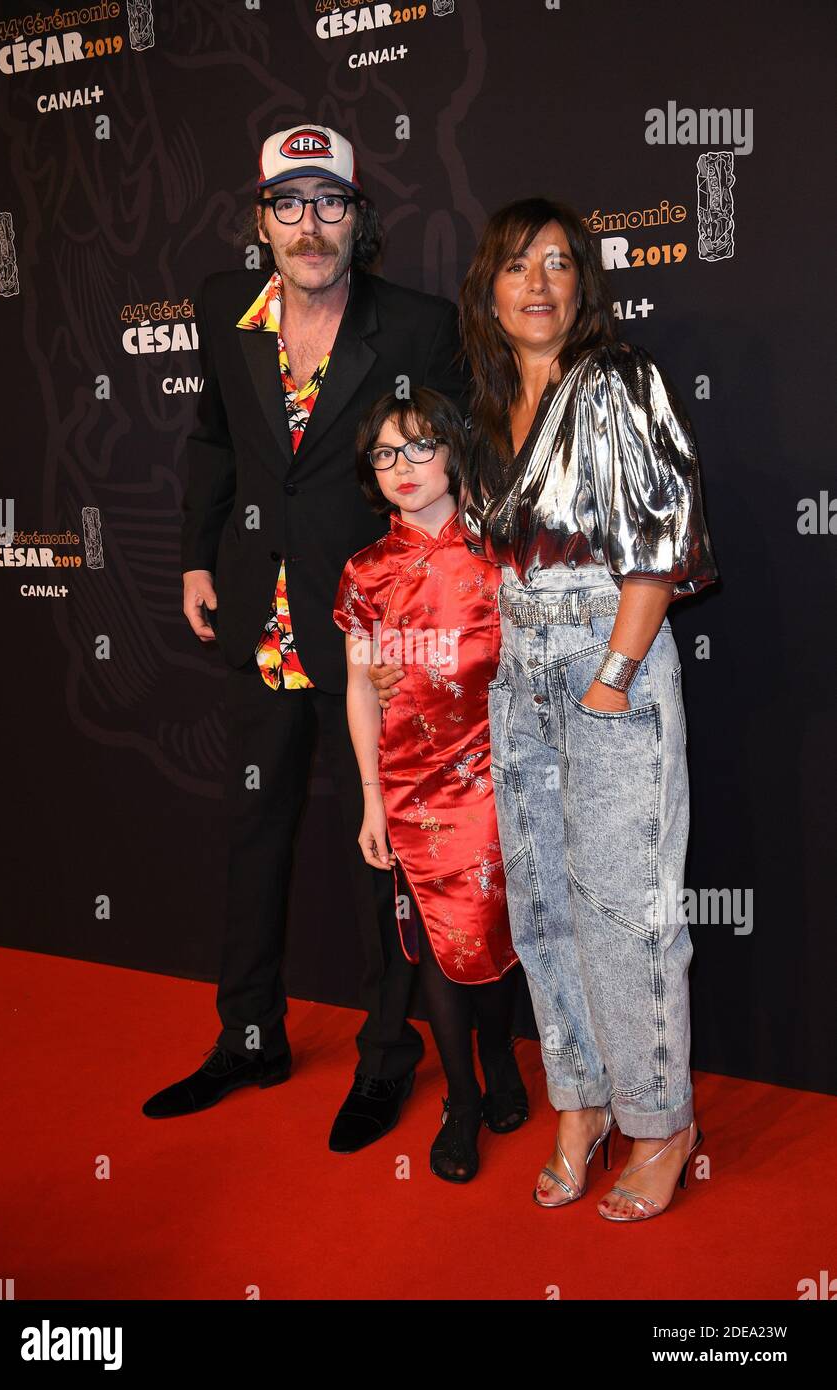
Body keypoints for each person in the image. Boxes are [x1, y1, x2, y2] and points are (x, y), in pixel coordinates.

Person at [371, 197, 717, 1221]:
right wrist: (405, 658)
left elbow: (658, 542)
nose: (537, 283)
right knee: (543, 907)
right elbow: (458, 558)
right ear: (487, 287)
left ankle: (659, 1120)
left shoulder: (617, 384)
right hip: (513, 672)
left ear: (582, 287)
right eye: (516, 264)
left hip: (607, 655)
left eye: (558, 264)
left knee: (623, 911)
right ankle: (579, 1101)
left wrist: (611, 673)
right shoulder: (477, 410)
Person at [143, 124, 468, 1156]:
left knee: (379, 849)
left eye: (330, 202)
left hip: (370, 639)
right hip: (258, 619)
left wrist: (420, 600)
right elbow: (213, 439)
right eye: (289, 203)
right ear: (260, 218)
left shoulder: (415, 327)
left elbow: (446, 468)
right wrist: (199, 555)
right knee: (254, 835)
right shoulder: (219, 310)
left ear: (357, 217)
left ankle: (385, 1055)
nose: (309, 224)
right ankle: (249, 1036)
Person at [331, 387, 527, 1181]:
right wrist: (372, 797)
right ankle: (463, 1101)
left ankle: (504, 1066)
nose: (402, 467)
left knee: (487, 936)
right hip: (410, 789)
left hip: (494, 777)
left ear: (452, 448)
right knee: (442, 953)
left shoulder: (498, 551)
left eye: (418, 446)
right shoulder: (365, 571)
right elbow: (355, 687)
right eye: (383, 453)